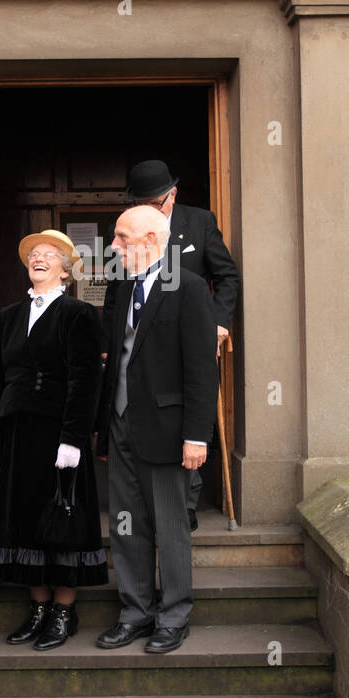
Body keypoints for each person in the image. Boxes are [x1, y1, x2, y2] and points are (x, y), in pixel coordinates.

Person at [0, 229, 108, 650]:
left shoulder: (79, 315)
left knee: (62, 519)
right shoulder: (8, 315)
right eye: (33, 254)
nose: (39, 258)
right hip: (16, 432)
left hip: (59, 435)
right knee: (25, 519)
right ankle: (37, 608)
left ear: (66, 270)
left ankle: (63, 611)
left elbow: (85, 382)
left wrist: (72, 439)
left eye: (49, 255)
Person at [95, 205, 218, 654]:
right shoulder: (124, 287)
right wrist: (102, 425)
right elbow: (117, 360)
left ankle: (174, 616)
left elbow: (202, 371)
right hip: (122, 425)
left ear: (150, 241)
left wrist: (196, 435)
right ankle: (135, 613)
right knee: (127, 527)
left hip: (169, 433)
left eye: (121, 238)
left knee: (170, 529)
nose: (113, 247)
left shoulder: (187, 289)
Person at [100, 159, 240, 529]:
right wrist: (108, 343)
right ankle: (147, 506)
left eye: (155, 203)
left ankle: (186, 502)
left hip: (192, 337)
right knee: (149, 419)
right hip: (147, 345)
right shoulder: (129, 231)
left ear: (172, 195)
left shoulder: (199, 222)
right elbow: (116, 291)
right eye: (140, 204)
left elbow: (225, 276)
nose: (147, 210)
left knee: (190, 416)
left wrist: (219, 324)